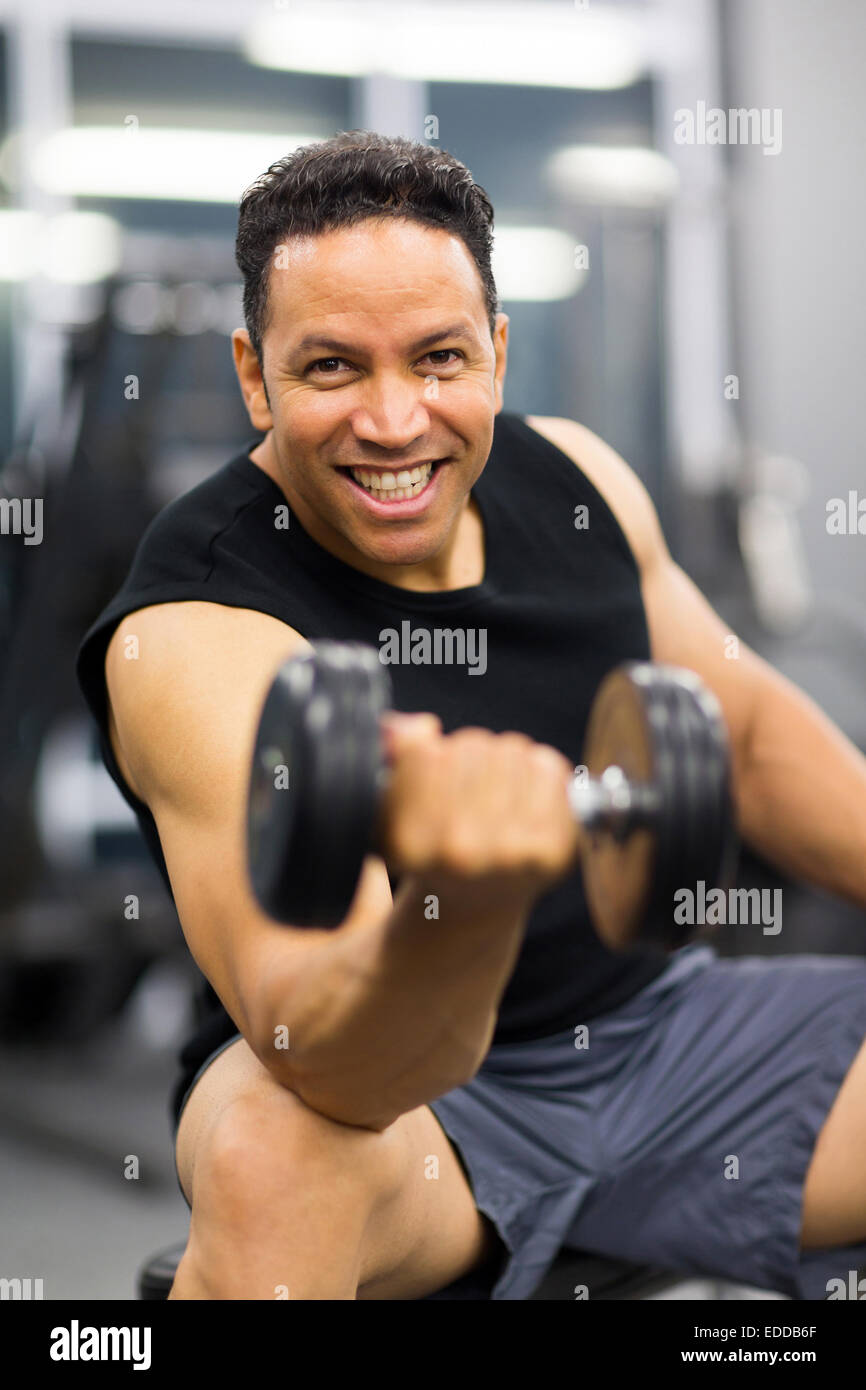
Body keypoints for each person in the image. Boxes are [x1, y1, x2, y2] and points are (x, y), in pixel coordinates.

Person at [76, 131, 866, 1301]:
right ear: (255, 374)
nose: (395, 423)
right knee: (268, 1154)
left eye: (438, 358)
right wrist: (465, 906)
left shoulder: (581, 487)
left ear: (496, 351)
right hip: (420, 1122)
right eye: (332, 368)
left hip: (662, 1044)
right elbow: (324, 1050)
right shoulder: (196, 628)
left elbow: (738, 735)